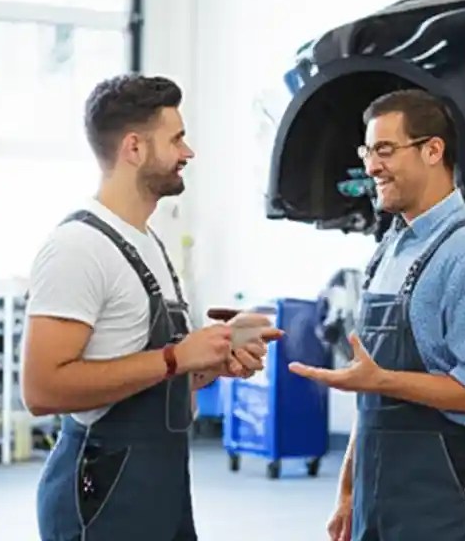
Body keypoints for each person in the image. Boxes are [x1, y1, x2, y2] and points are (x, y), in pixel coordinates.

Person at [22, 73, 281, 541]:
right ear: (135, 148)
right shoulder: (78, 247)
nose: (189, 152)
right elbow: (42, 389)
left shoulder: (146, 243)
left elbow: (147, 374)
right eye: (177, 138)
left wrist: (213, 359)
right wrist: (176, 357)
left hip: (162, 490)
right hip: (102, 497)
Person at [289, 89, 465, 541]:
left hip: (442, 502)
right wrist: (347, 488)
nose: (372, 166)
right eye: (367, 152)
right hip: (375, 499)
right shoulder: (389, 250)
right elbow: (369, 387)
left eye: (384, 150)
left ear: (433, 150)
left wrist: (385, 382)